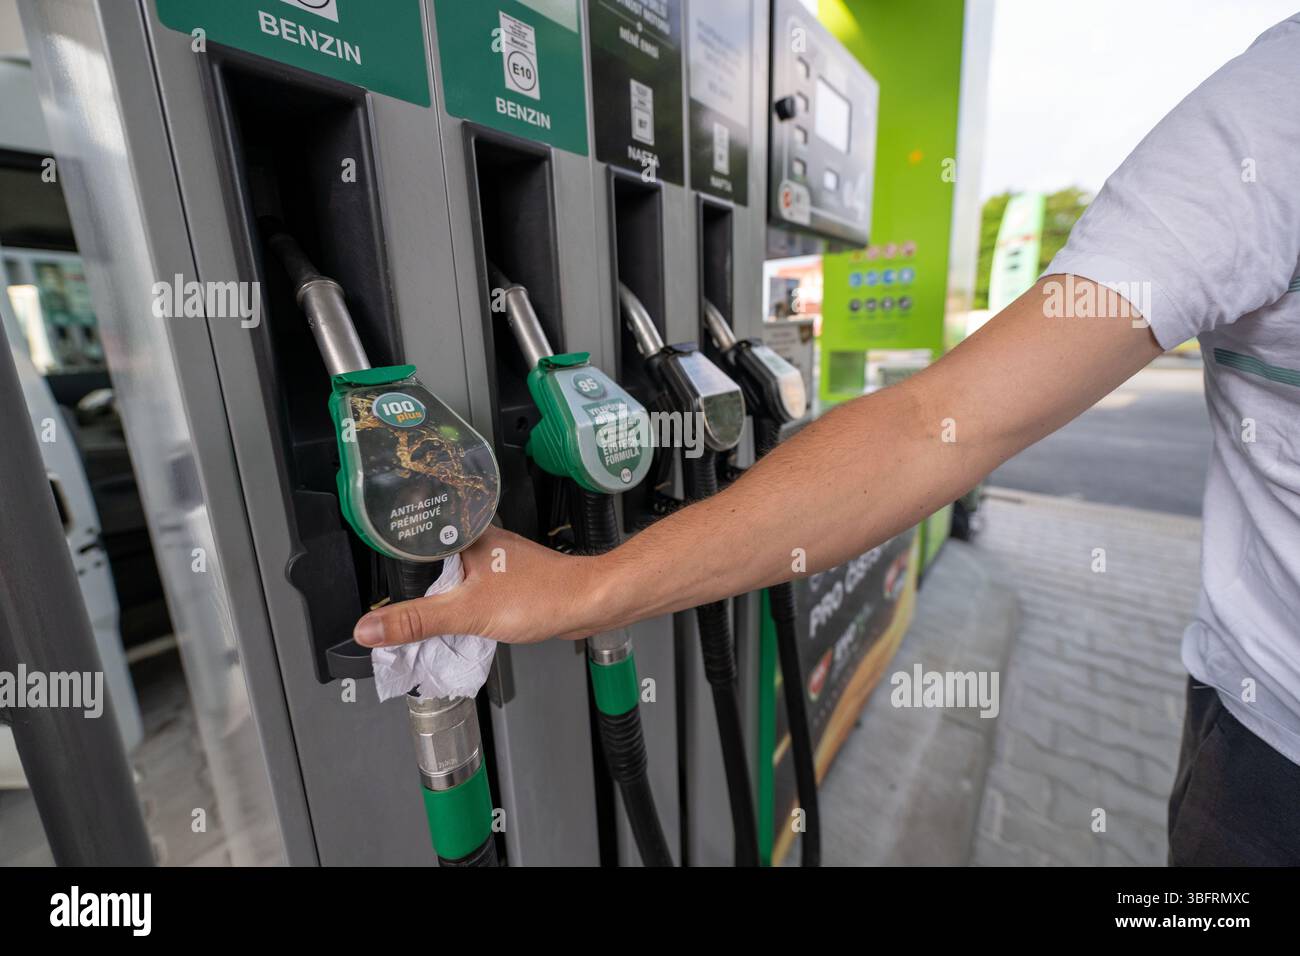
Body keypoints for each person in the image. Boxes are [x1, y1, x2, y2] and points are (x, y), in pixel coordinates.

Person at [354, 15, 1300, 865]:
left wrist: (600, 586)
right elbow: (938, 426)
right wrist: (593, 588)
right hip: (1271, 740)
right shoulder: (1267, 118)